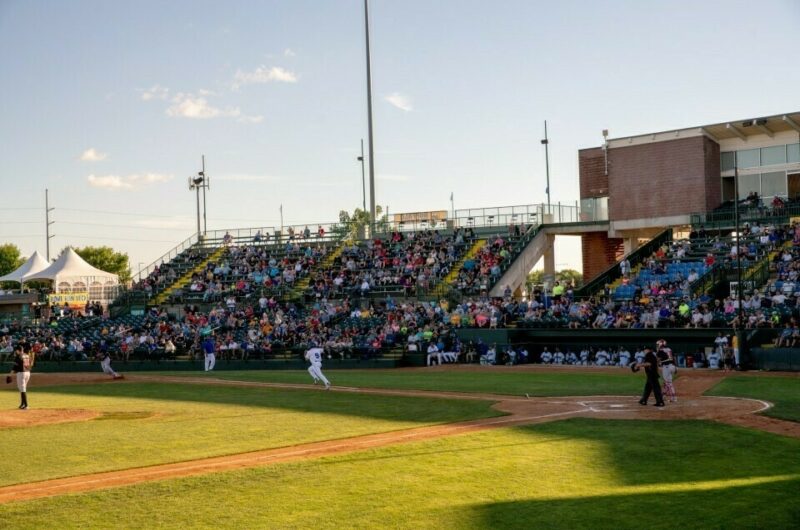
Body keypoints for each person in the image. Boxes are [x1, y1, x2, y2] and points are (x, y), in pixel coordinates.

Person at [9, 345, 33, 409]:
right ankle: (22, 404)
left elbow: (14, 367)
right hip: (28, 373)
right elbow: (31, 363)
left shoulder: (18, 356)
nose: (16, 352)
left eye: (16, 350)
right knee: (22, 389)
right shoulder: (27, 355)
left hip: (21, 374)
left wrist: (10, 375)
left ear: (18, 350)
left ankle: (26, 405)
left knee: (22, 389)